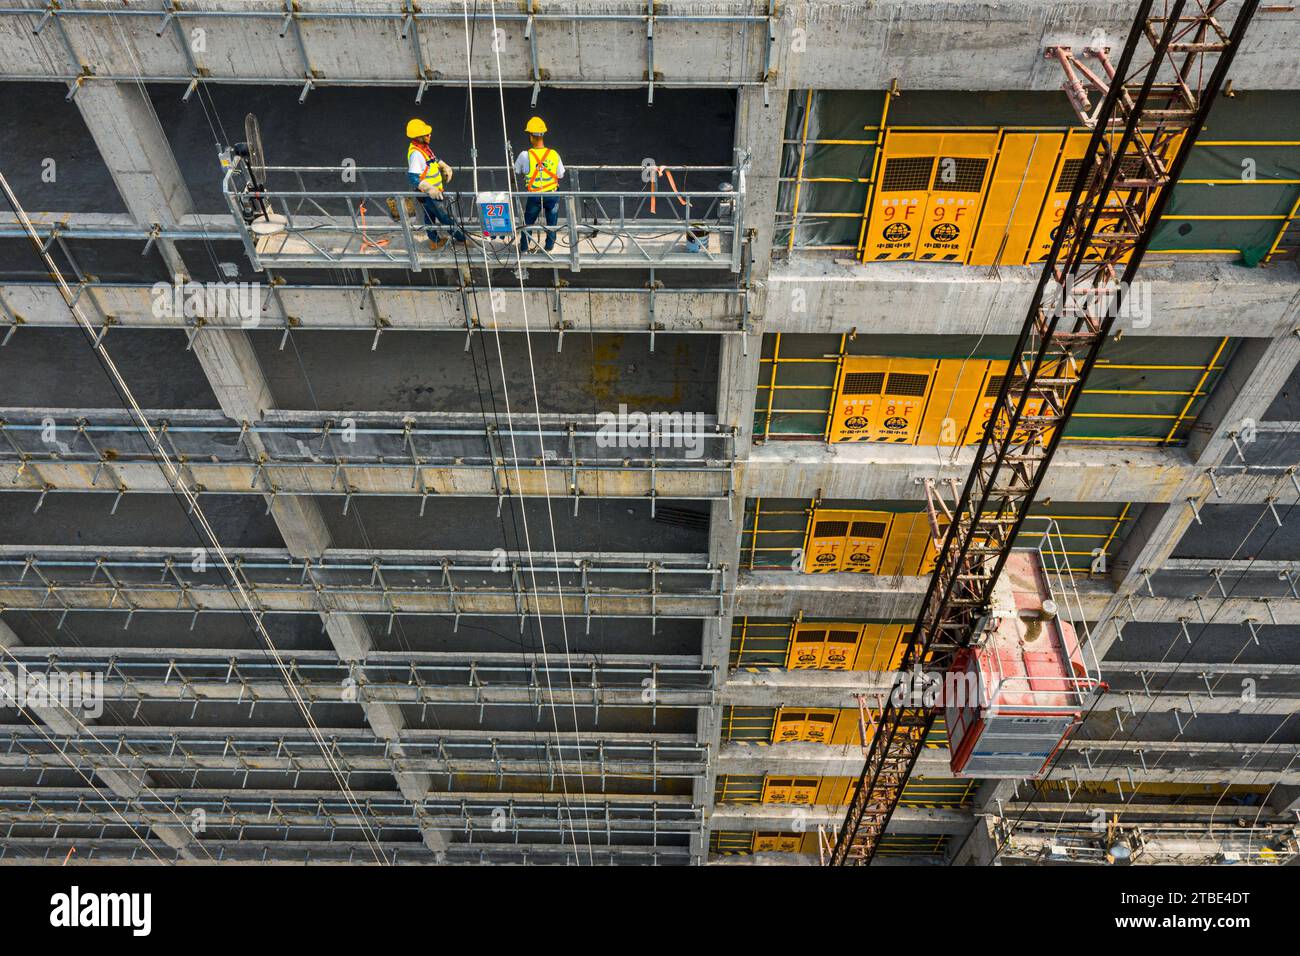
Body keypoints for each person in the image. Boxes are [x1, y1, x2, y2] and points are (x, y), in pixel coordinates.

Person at [402, 118, 466, 250]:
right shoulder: (416, 154)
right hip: (430, 194)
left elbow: (433, 159)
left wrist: (445, 166)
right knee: (445, 218)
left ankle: (434, 241)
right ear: (419, 137)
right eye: (426, 134)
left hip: (434, 192)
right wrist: (430, 189)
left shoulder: (423, 148)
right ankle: (461, 239)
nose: (430, 135)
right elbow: (413, 178)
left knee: (429, 217)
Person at [513, 116, 565, 252]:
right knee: (551, 223)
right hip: (552, 195)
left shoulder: (525, 155)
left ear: (530, 136)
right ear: (543, 135)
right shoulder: (554, 154)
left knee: (528, 223)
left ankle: (524, 248)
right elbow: (560, 174)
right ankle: (549, 247)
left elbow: (516, 171)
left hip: (535, 196)